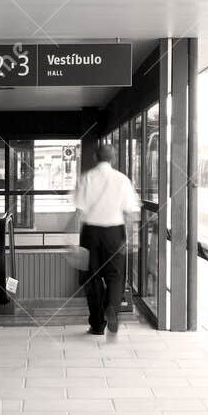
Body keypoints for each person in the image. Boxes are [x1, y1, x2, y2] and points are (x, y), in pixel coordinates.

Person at [71, 143, 141, 337]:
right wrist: (131, 238)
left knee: (91, 277)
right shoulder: (122, 180)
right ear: (113, 158)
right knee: (116, 275)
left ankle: (97, 324)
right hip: (114, 232)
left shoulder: (86, 178)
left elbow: (78, 211)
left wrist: (70, 238)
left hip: (90, 234)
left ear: (95, 157)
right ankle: (112, 308)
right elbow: (129, 212)